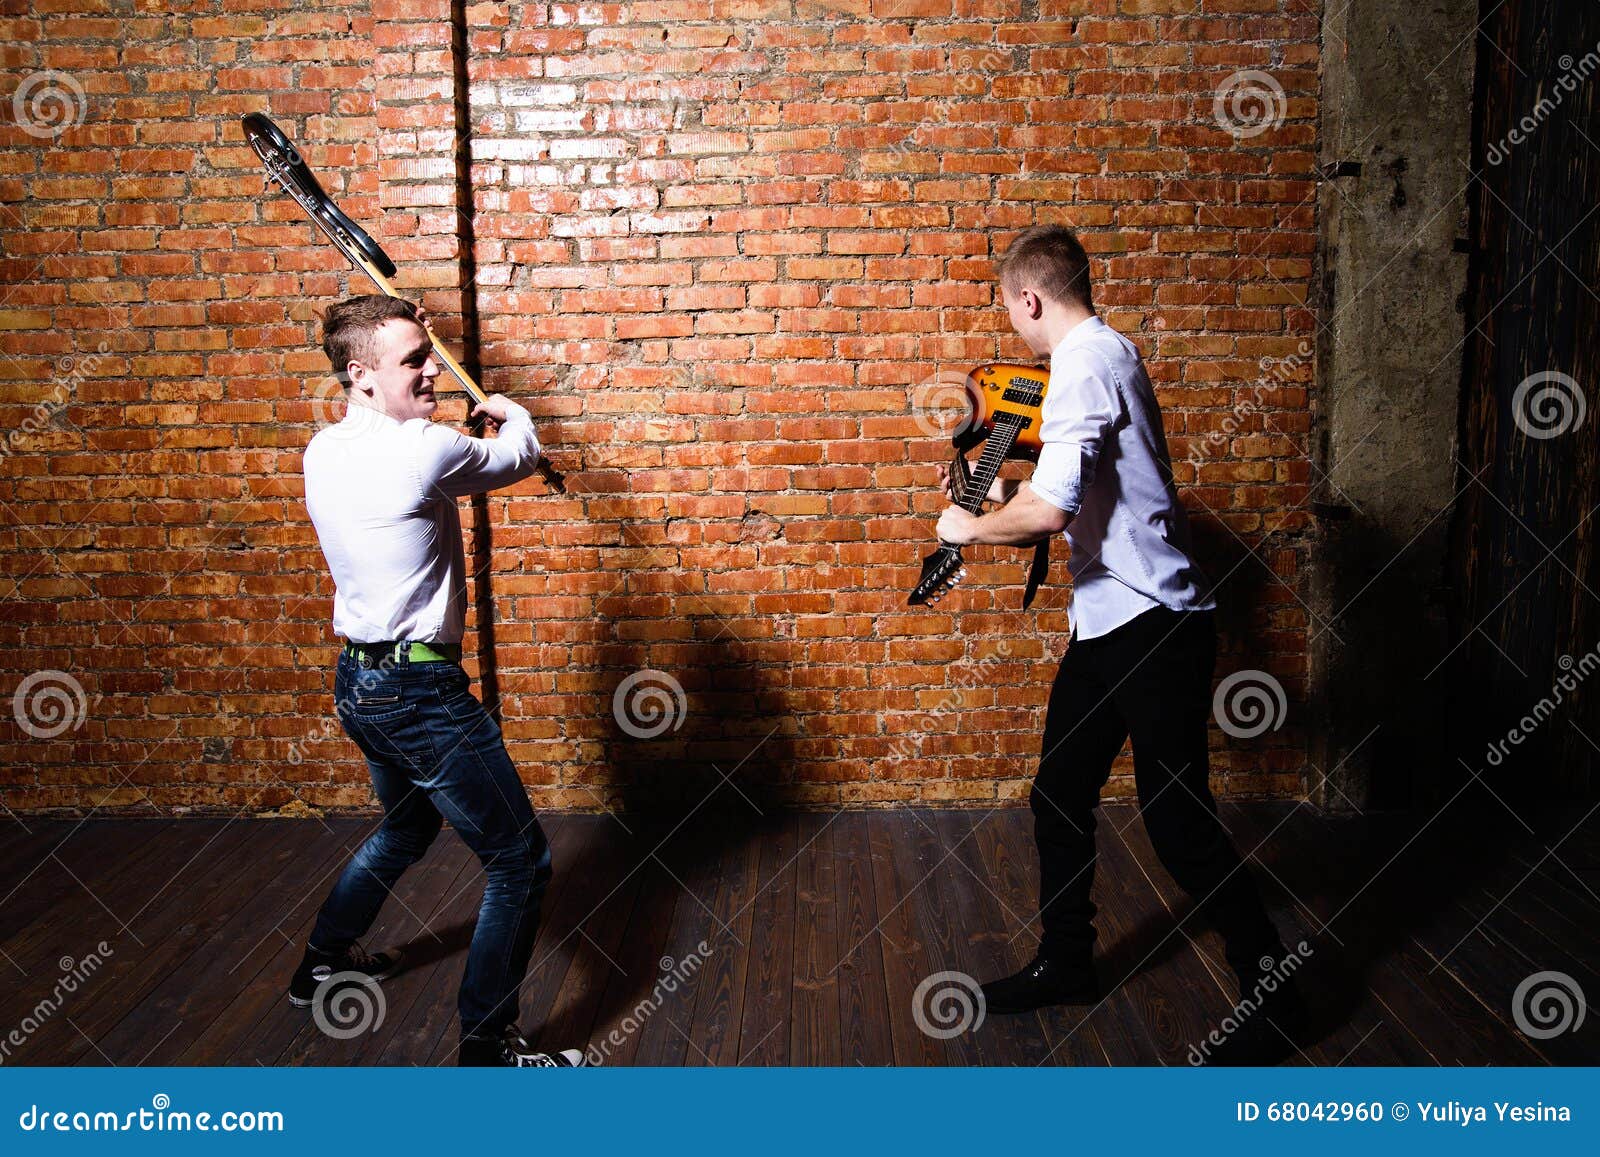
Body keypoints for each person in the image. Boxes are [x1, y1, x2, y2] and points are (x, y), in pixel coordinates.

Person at [934, 225, 1307, 1052]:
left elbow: (1055, 513)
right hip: (1107, 623)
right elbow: (1072, 484)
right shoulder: (1099, 356)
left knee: (1177, 823)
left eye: (1010, 310)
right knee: (1059, 791)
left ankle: (1273, 986)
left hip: (1156, 627)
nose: (1013, 326)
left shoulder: (1084, 365)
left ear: (1028, 298)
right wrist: (1007, 487)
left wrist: (968, 523)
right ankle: (1068, 962)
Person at [288, 294, 584, 1067]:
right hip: (420, 697)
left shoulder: (322, 450)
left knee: (409, 827)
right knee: (521, 862)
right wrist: (510, 411)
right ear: (360, 374)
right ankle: (487, 1052)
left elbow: (432, 471)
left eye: (427, 354)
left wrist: (454, 420)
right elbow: (515, 456)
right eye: (413, 359)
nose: (430, 371)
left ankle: (321, 961)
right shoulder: (424, 447)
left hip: (358, 685)